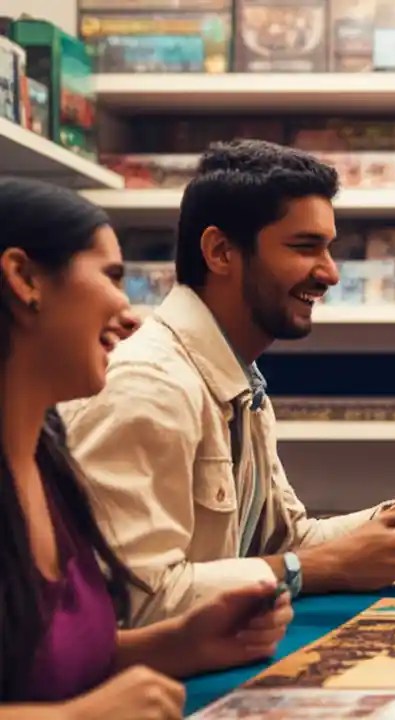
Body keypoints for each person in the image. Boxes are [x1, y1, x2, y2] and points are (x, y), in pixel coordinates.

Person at [60, 140, 395, 628]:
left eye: (328, 248)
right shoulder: (147, 386)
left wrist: (390, 520)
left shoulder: (239, 385)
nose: (330, 272)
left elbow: (284, 542)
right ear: (221, 252)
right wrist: (317, 568)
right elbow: (133, 601)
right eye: (304, 246)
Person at [0, 177, 293, 719]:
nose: (132, 312)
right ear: (23, 278)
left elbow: (47, 663)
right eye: (113, 277)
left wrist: (181, 642)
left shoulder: (48, 460)